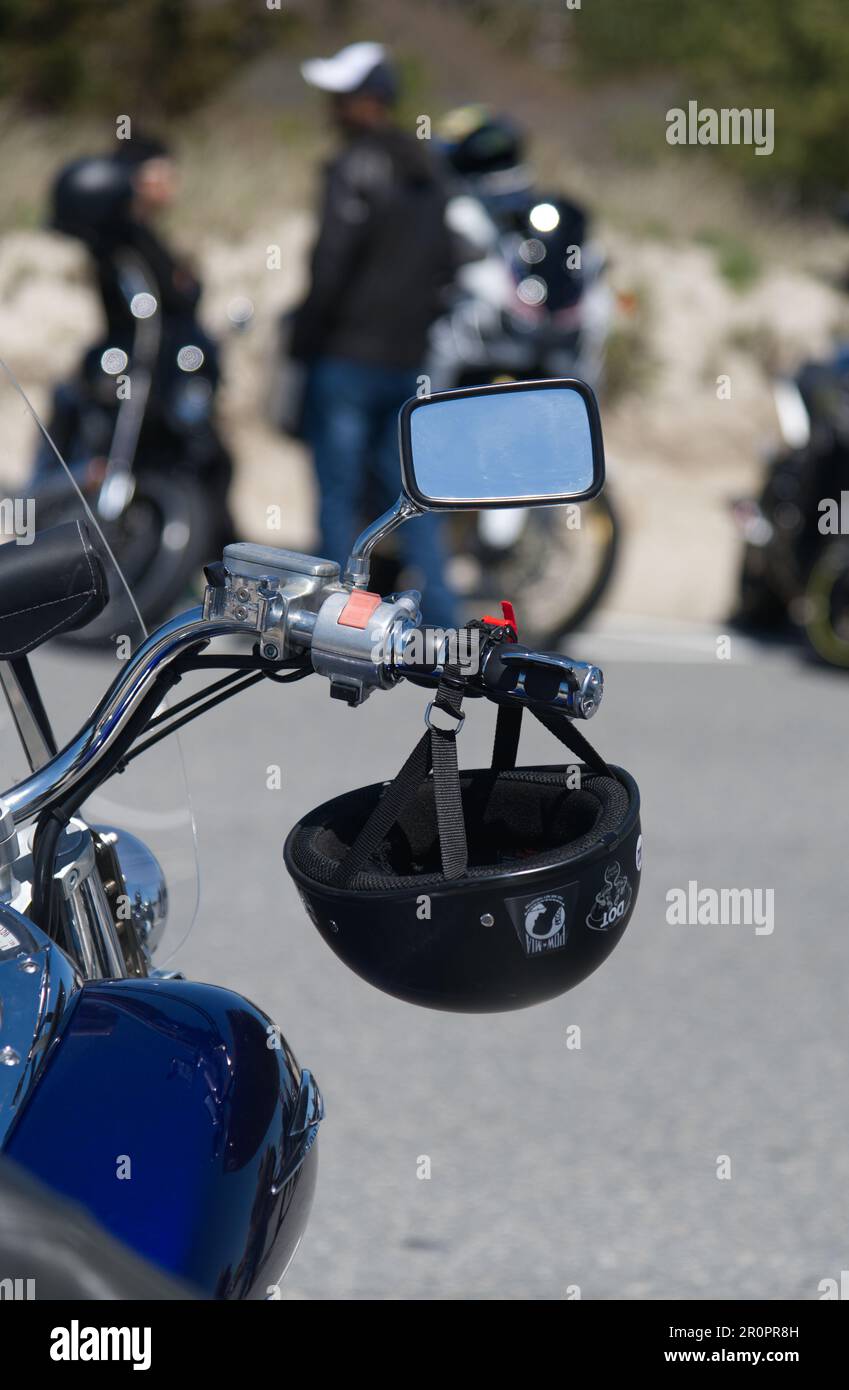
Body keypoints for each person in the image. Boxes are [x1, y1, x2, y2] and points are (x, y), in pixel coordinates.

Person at [291, 42, 457, 625]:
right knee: (413, 498)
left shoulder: (353, 165)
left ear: (369, 100)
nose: (331, 105)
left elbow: (331, 263)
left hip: (347, 356)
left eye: (341, 94)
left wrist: (303, 333)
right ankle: (441, 617)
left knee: (338, 495)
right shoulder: (429, 169)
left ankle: (338, 618)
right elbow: (450, 264)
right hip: (407, 358)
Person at [38, 137, 234, 546]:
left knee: (207, 466)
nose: (171, 182)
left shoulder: (142, 243)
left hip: (163, 387)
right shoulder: (112, 251)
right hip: (135, 388)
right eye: (160, 171)